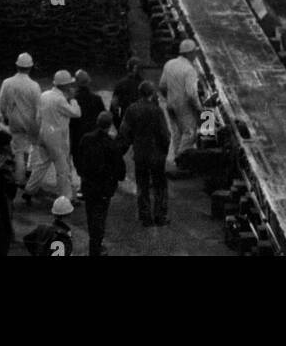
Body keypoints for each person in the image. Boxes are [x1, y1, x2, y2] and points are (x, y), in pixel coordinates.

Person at [119, 81, 170, 227]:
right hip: (157, 155)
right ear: (152, 94)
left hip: (140, 154)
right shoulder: (157, 111)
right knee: (160, 186)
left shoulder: (131, 109)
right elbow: (164, 134)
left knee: (142, 185)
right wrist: (164, 151)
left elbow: (124, 132)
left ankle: (145, 217)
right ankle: (160, 216)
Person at [75, 111, 126, 257]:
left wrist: (82, 174)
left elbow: (78, 159)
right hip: (104, 188)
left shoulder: (86, 139)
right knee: (100, 217)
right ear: (109, 126)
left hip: (88, 185)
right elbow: (120, 169)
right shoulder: (111, 144)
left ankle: (95, 244)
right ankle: (96, 248)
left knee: (91, 214)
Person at [26, 70, 81, 201]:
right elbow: (76, 113)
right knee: (63, 169)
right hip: (57, 138)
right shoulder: (60, 99)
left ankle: (29, 190)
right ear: (65, 85)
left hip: (44, 133)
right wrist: (73, 99)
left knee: (41, 164)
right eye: (69, 84)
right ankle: (65, 198)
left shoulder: (44, 95)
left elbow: (38, 116)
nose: (71, 87)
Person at [0, 52, 41, 192]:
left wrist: (5, 116)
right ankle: (30, 174)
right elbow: (38, 107)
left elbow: (2, 102)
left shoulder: (7, 83)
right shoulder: (34, 86)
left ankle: (20, 179)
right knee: (34, 147)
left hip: (15, 120)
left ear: (17, 66)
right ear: (30, 67)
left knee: (18, 151)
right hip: (31, 121)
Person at [159, 38, 202, 170]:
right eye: (194, 52)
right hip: (184, 107)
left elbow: (162, 85)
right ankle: (180, 162)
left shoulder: (169, 64)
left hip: (171, 105)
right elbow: (191, 94)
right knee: (189, 133)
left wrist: (169, 98)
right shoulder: (190, 70)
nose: (195, 55)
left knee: (176, 133)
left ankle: (175, 162)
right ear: (189, 53)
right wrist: (200, 109)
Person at [70, 70, 106, 158]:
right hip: (93, 137)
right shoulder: (97, 99)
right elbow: (103, 117)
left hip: (77, 139)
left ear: (77, 82)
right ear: (88, 82)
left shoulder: (72, 100)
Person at [110, 57, 143, 125]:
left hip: (125, 121)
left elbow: (113, 107)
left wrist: (118, 125)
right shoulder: (145, 85)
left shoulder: (120, 84)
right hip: (142, 124)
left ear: (128, 68)